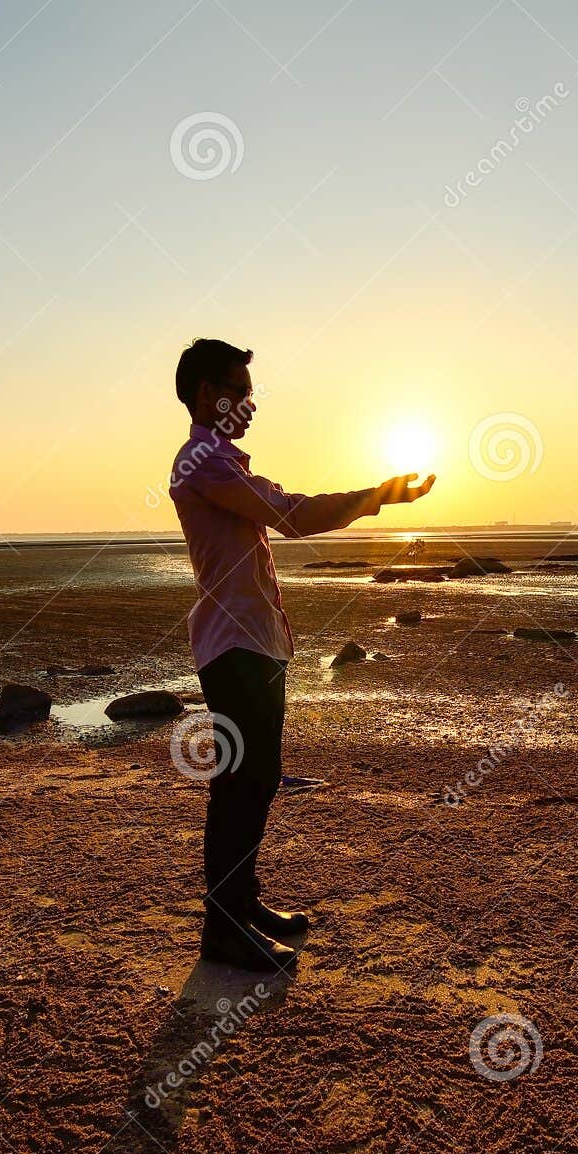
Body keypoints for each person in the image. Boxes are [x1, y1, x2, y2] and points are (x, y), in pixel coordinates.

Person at [169, 338, 435, 973]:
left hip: (256, 643)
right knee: (240, 783)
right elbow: (289, 515)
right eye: (239, 390)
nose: (251, 403)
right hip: (232, 647)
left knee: (258, 780)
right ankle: (224, 927)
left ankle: (241, 904)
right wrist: (378, 496)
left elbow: (279, 513)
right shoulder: (202, 463)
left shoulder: (225, 464)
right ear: (207, 394)